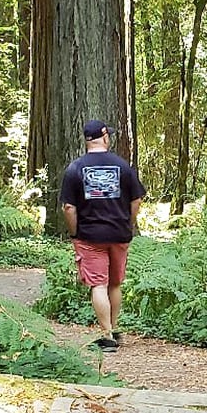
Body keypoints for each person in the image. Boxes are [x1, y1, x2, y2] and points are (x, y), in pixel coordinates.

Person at [60, 119, 146, 350]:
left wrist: (75, 232)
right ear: (105, 137)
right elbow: (136, 199)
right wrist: (128, 223)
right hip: (119, 234)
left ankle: (106, 335)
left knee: (98, 285)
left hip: (89, 236)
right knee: (115, 284)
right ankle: (114, 328)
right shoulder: (123, 166)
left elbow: (68, 207)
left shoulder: (75, 168)